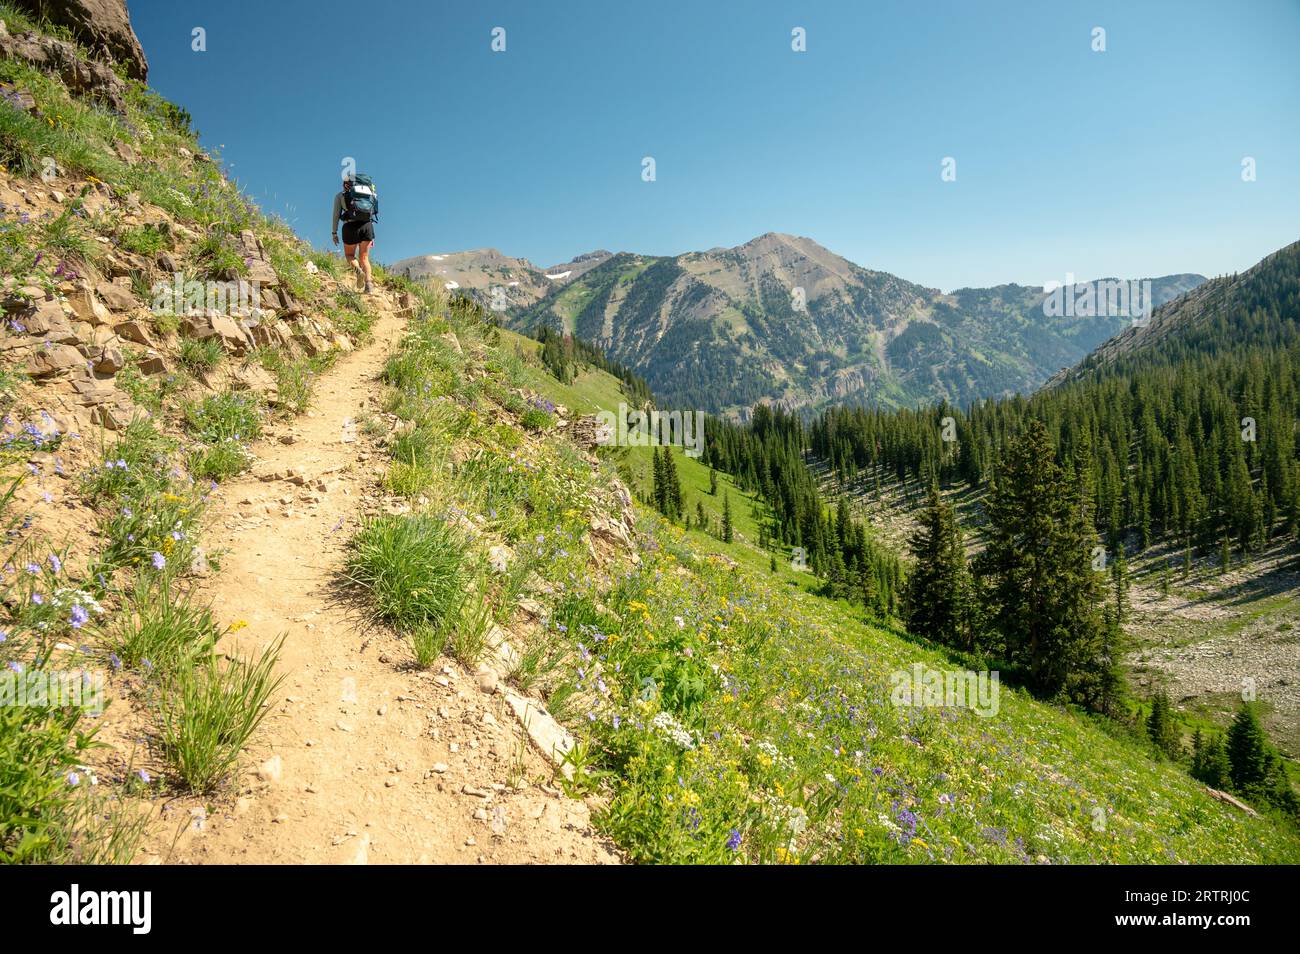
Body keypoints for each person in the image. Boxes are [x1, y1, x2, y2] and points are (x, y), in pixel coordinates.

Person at [331, 173, 379, 293]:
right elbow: (372, 213)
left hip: (349, 226)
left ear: (345, 184)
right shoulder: (370, 194)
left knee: (349, 255)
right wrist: (371, 236)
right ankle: (369, 285)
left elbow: (336, 215)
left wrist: (334, 232)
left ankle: (358, 271)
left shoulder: (340, 196)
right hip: (367, 226)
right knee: (365, 257)